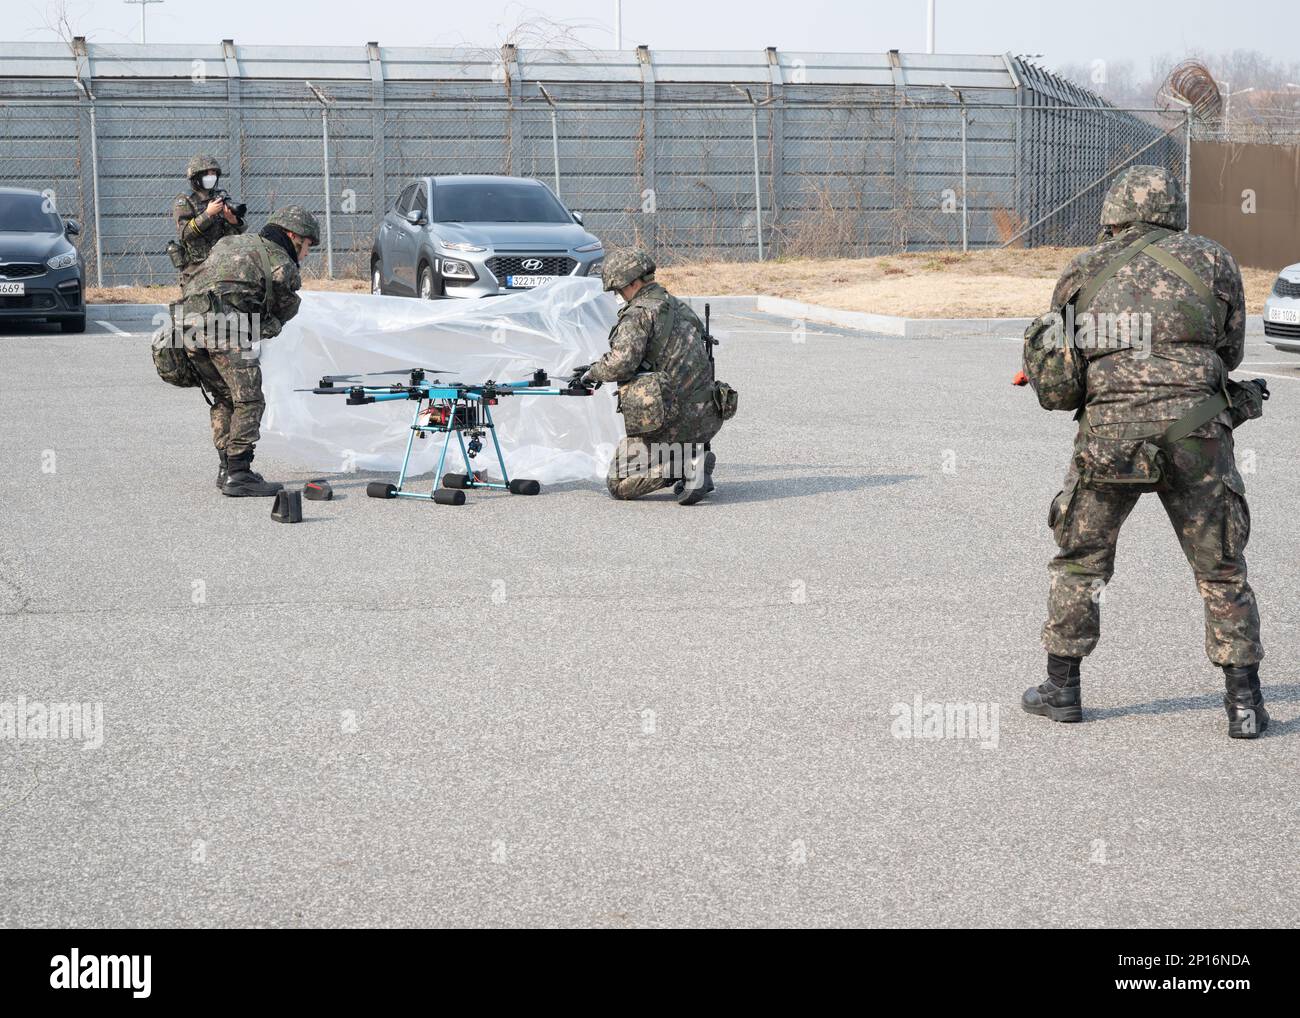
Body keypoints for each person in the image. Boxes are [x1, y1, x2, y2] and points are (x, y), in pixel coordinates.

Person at [1024, 165, 1268, 739]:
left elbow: (1061, 384)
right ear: (1175, 210)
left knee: (1082, 561)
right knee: (1222, 568)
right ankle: (1244, 705)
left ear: (1113, 213)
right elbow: (1228, 355)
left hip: (1111, 441)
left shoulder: (1081, 270)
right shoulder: (1215, 260)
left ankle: (1063, 689)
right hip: (1198, 433)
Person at [180, 206, 319, 497]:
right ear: (293, 236)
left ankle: (225, 468)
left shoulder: (230, 242)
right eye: (307, 245)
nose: (306, 253)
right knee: (250, 400)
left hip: (187, 329)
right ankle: (239, 473)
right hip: (225, 332)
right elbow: (282, 312)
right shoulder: (282, 264)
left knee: (224, 396)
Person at [582, 248, 724, 504]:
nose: (619, 295)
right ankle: (693, 458)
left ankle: (685, 467)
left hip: (669, 423)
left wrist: (592, 372)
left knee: (618, 484)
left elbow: (621, 364)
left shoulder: (639, 313)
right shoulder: (679, 306)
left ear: (634, 282)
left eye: (619, 289)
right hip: (706, 419)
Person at [171, 153, 245, 284]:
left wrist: (232, 220)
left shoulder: (220, 195)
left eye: (213, 174)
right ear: (196, 177)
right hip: (196, 266)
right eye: (207, 174)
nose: (211, 177)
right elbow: (184, 233)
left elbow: (241, 229)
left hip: (222, 261)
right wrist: (207, 214)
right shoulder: (184, 200)